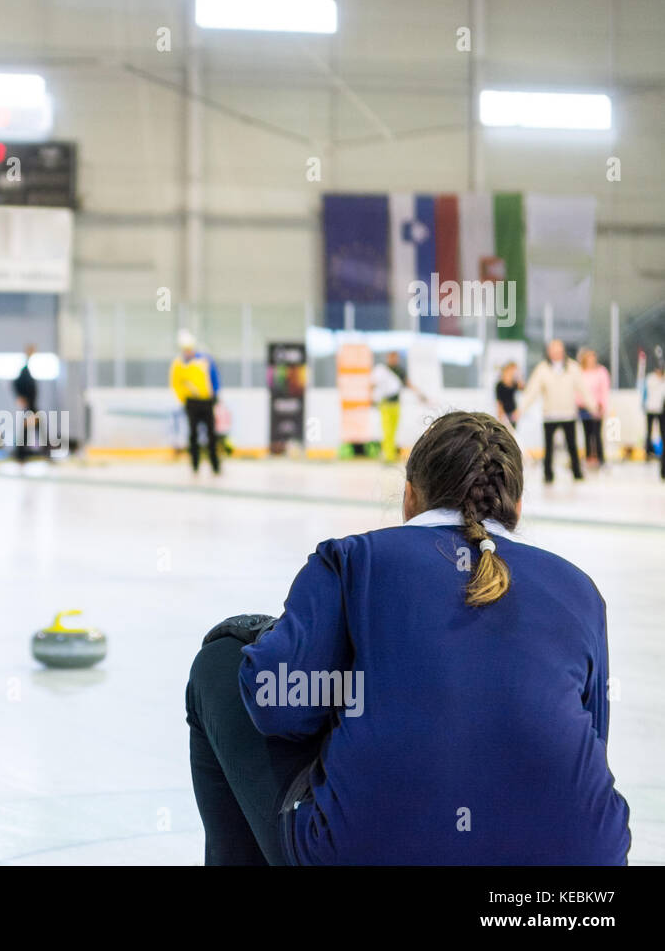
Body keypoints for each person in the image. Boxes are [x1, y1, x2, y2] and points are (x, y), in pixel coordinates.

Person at [185, 411, 630, 865]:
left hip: (370, 849)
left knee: (219, 663)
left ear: (409, 497)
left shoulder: (353, 559)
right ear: (515, 509)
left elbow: (279, 707)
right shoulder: (580, 589)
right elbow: (587, 738)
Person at [516, 339, 593, 484]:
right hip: (550, 415)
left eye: (558, 350)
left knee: (572, 446)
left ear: (562, 351)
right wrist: (520, 409)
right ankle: (548, 474)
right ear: (549, 352)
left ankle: (577, 472)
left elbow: (583, 389)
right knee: (549, 447)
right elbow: (532, 391)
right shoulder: (542, 369)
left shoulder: (573, 367)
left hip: (568, 414)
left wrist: (593, 407)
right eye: (553, 351)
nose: (556, 353)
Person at [170, 329, 221, 474]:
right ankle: (195, 464)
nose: (188, 352)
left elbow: (214, 377)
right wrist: (183, 399)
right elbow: (176, 384)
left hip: (206, 401)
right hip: (191, 403)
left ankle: (215, 465)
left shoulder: (204, 360)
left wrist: (216, 394)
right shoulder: (179, 364)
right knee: (193, 434)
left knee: (212, 434)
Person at [369, 351, 424, 463]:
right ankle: (388, 455)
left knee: (394, 430)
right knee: (387, 430)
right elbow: (373, 384)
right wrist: (371, 397)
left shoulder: (399, 370)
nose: (393, 359)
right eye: (391, 357)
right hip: (385, 404)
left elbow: (408, 383)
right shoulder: (382, 370)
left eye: (395, 357)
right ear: (388, 358)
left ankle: (391, 453)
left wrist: (419, 394)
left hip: (396, 404)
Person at [577, 347, 610, 467]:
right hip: (583, 407)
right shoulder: (579, 372)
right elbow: (578, 391)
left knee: (597, 434)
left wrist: (602, 405)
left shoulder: (601, 372)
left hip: (597, 408)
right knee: (587, 434)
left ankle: (600, 458)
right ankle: (588, 457)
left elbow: (604, 390)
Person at [12, 344, 39, 463]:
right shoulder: (24, 370)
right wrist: (19, 396)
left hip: (32, 406)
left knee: (32, 427)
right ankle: (20, 454)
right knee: (30, 428)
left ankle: (21, 453)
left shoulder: (28, 369)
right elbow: (16, 383)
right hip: (29, 406)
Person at [493, 361, 522, 428]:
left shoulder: (514, 383)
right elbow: (499, 401)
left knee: (512, 431)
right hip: (503, 412)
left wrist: (518, 376)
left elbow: (523, 388)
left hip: (513, 411)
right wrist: (500, 414)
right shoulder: (499, 385)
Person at [644, 362, 664, 461]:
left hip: (661, 410)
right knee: (649, 431)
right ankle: (648, 451)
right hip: (651, 408)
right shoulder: (651, 378)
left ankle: (662, 453)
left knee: (662, 431)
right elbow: (649, 389)